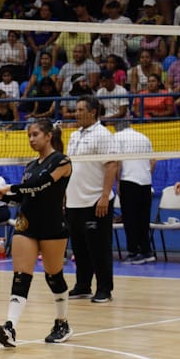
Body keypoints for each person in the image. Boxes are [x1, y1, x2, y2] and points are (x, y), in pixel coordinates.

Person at [0, 120, 73, 348]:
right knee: (21, 275)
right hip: (27, 224)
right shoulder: (30, 165)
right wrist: (2, 198)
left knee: (53, 276)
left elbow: (41, 184)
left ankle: (62, 322)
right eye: (29, 135)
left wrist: (10, 188)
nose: (31, 139)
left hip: (53, 225)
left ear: (48, 136)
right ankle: (10, 327)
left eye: (35, 134)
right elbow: (24, 196)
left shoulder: (62, 161)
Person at [65, 95, 119, 304]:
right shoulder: (74, 135)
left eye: (80, 110)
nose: (76, 113)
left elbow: (112, 165)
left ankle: (104, 288)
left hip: (95, 200)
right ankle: (83, 285)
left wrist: (105, 196)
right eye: (75, 110)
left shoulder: (103, 134)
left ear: (93, 111)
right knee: (79, 247)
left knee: (99, 247)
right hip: (74, 201)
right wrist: (65, 197)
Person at [116, 126, 156, 264]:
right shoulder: (144, 137)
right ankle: (147, 252)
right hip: (146, 183)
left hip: (129, 181)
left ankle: (134, 253)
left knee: (130, 220)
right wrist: (146, 175)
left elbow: (117, 163)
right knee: (143, 220)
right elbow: (153, 161)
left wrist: (118, 182)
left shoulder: (117, 137)